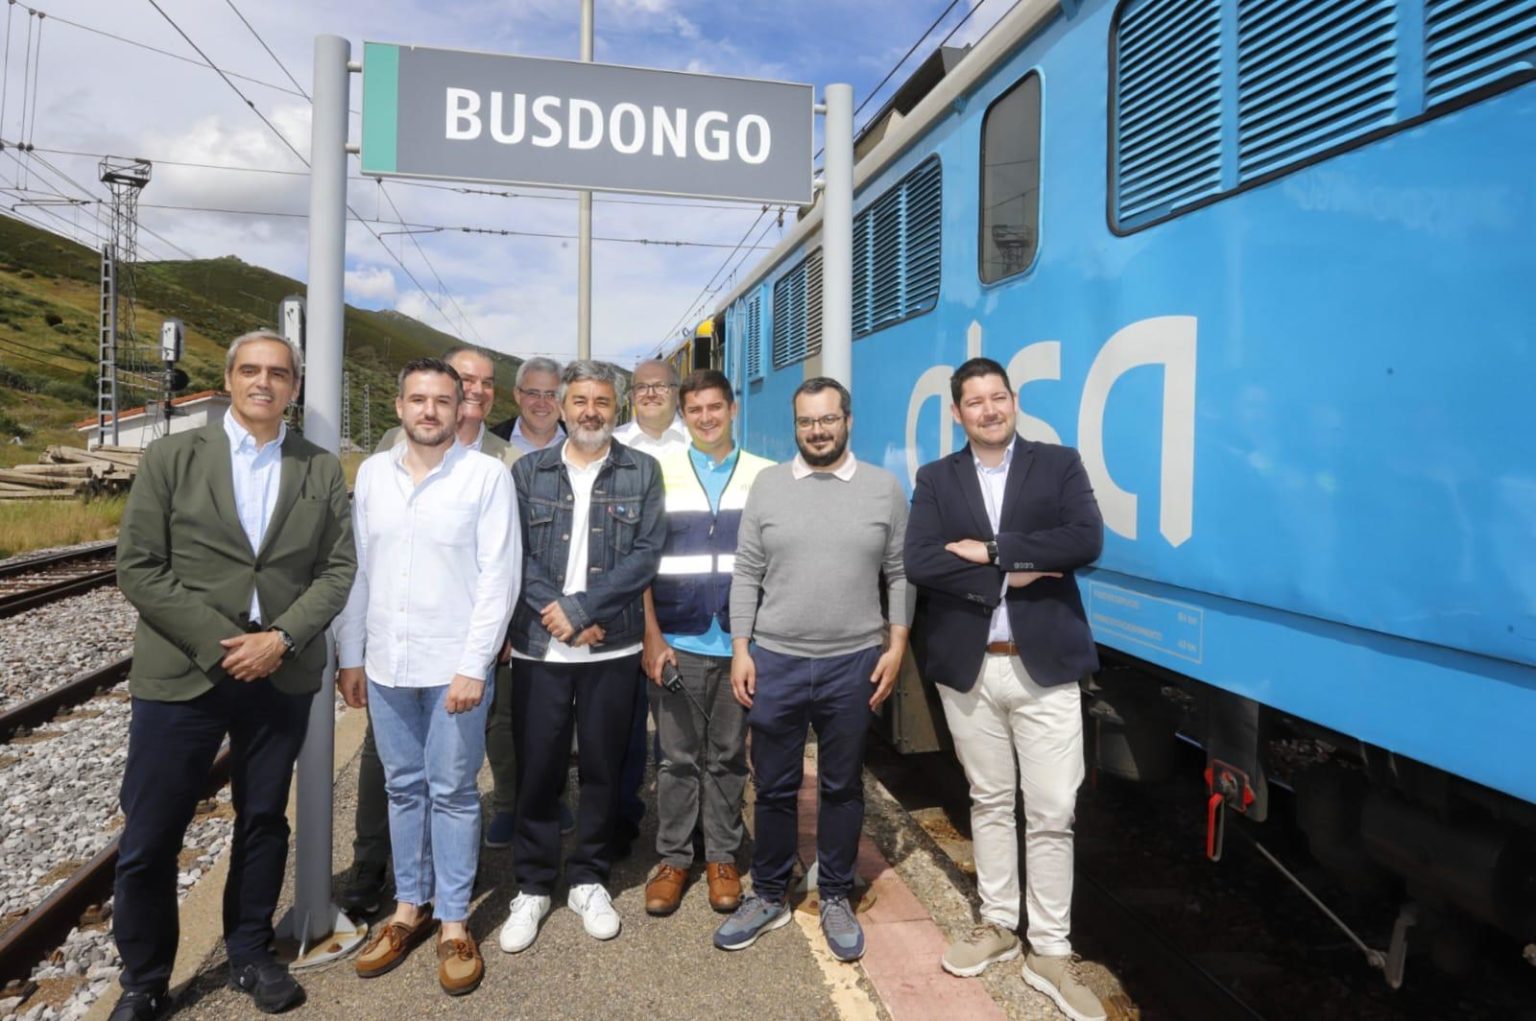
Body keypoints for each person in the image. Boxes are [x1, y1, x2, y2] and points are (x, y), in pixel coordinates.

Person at [110, 330, 356, 1019]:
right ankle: (144, 979)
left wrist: (281, 638)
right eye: (251, 370)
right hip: (183, 671)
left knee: (263, 820)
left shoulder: (319, 468)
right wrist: (221, 646)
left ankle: (249, 952)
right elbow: (139, 566)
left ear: (294, 388)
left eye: (278, 373)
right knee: (151, 832)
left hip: (279, 670)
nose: (263, 382)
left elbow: (337, 569)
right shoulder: (171, 457)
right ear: (229, 379)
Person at [903, 357, 1105, 1021]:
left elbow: (1084, 539)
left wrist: (992, 552)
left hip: (1044, 665)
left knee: (1052, 807)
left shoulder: (1059, 464)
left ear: (1013, 401)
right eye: (975, 401)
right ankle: (997, 923)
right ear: (957, 412)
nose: (989, 410)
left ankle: (1050, 949)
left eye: (998, 397)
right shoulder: (937, 478)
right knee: (989, 799)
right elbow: (919, 559)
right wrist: (1011, 575)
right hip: (972, 666)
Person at [335, 358, 519, 996]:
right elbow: (360, 569)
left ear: (460, 406)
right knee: (403, 789)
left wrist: (474, 664)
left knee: (454, 792)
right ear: (400, 407)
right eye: (419, 399)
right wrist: (352, 655)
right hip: (388, 665)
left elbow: (499, 577)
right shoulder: (373, 476)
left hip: (453, 670)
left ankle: (454, 920)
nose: (431, 411)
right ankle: (408, 909)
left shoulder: (486, 476)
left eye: (443, 400)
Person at [714, 377, 912, 963]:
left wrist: (897, 645)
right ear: (795, 426)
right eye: (806, 421)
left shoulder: (883, 489)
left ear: (848, 421)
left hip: (853, 663)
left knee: (841, 787)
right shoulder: (769, 486)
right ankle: (769, 892)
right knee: (774, 786)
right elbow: (746, 572)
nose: (817, 431)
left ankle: (835, 894)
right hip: (775, 659)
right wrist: (742, 649)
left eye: (827, 419)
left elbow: (901, 573)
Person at [498, 360, 665, 953]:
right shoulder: (528, 471)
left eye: (601, 402)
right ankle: (533, 885)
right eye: (580, 401)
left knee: (603, 770)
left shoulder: (642, 471)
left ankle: (589, 879)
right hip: (541, 647)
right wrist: (563, 615)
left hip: (610, 646)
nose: (590, 412)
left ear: (615, 409)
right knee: (538, 769)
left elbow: (646, 555)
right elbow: (514, 553)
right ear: (564, 408)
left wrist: (585, 610)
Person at [640, 370, 773, 916]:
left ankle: (722, 856)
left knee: (727, 756)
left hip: (741, 643)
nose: (706, 418)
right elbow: (642, 561)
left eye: (715, 407)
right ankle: (673, 858)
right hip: (678, 639)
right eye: (694, 410)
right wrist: (651, 636)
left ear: (732, 409)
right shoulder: (658, 472)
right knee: (676, 759)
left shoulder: (765, 476)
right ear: (683, 415)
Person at [610, 358, 689, 858]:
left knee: (681, 728)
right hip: (623, 602)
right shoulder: (613, 445)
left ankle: (684, 827)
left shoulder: (699, 441)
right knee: (624, 723)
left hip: (684, 602)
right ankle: (622, 817)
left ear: (676, 391)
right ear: (631, 395)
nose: (652, 393)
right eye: (642, 386)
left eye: (661, 385)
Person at [489, 356, 565, 454]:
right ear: (517, 395)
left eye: (551, 395)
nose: (542, 403)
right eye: (533, 393)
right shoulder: (490, 443)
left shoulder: (581, 442)